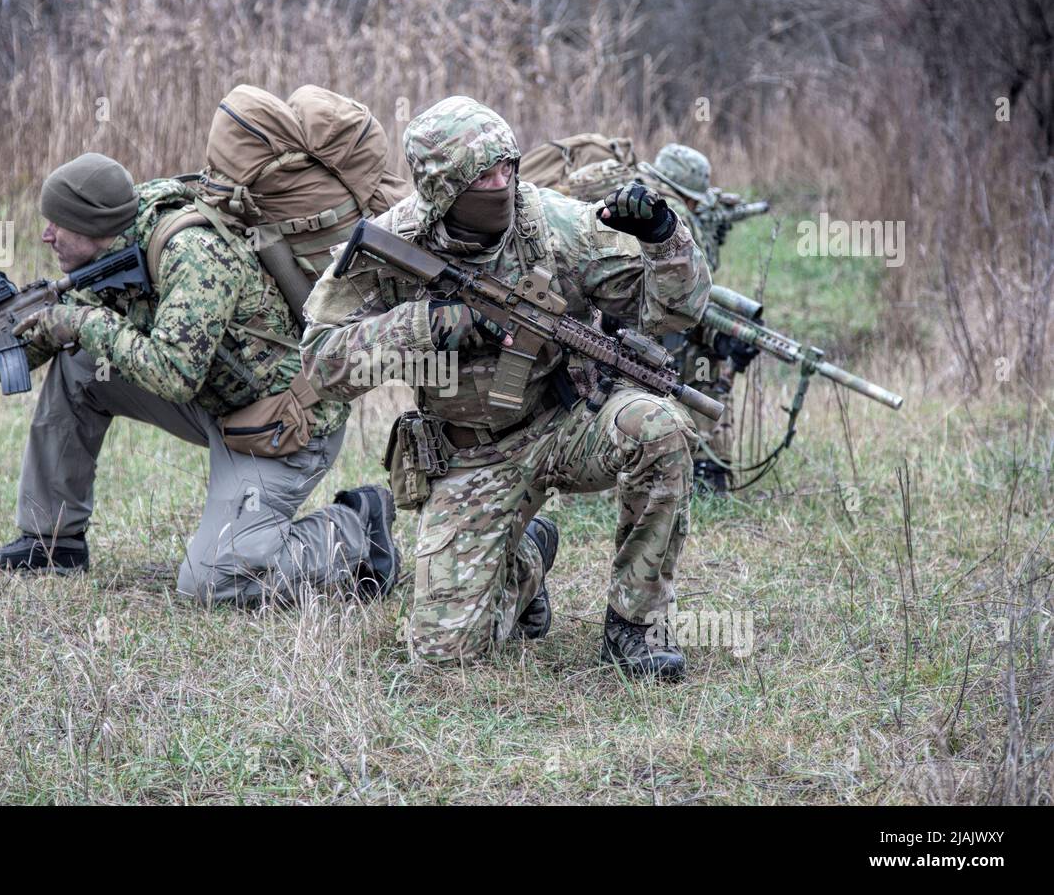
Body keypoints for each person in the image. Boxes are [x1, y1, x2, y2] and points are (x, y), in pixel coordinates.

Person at [300, 97, 711, 679]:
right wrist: (436, 325)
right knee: (444, 659)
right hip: (469, 455)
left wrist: (663, 239)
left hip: (565, 423)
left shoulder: (559, 226)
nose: (502, 184)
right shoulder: (392, 243)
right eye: (483, 176)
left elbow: (677, 313)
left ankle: (634, 631)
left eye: (507, 167)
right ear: (443, 190)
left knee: (661, 428)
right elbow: (320, 363)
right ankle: (526, 560)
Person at [0, 152, 400, 606]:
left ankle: (357, 527)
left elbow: (175, 374)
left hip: (281, 425)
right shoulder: (112, 250)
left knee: (214, 581)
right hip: (220, 401)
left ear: (93, 225)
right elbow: (43, 333)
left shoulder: (193, 256)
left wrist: (86, 324)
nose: (47, 236)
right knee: (80, 364)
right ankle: (51, 544)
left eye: (58, 225)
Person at [637, 144, 760, 492]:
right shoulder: (674, 215)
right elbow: (686, 292)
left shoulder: (639, 196)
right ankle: (706, 469)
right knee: (705, 361)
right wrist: (719, 337)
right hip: (647, 324)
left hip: (635, 315)